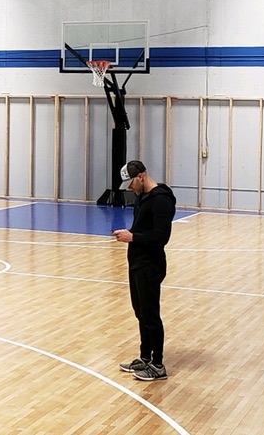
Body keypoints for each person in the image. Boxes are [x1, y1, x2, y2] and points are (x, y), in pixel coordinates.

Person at [112, 159, 176, 381]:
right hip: (137, 262)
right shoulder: (142, 198)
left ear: (141, 176)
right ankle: (145, 357)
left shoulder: (161, 201)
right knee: (140, 312)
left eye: (131, 183)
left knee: (151, 315)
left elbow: (161, 237)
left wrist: (133, 237)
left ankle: (157, 365)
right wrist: (130, 234)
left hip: (151, 265)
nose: (129, 189)